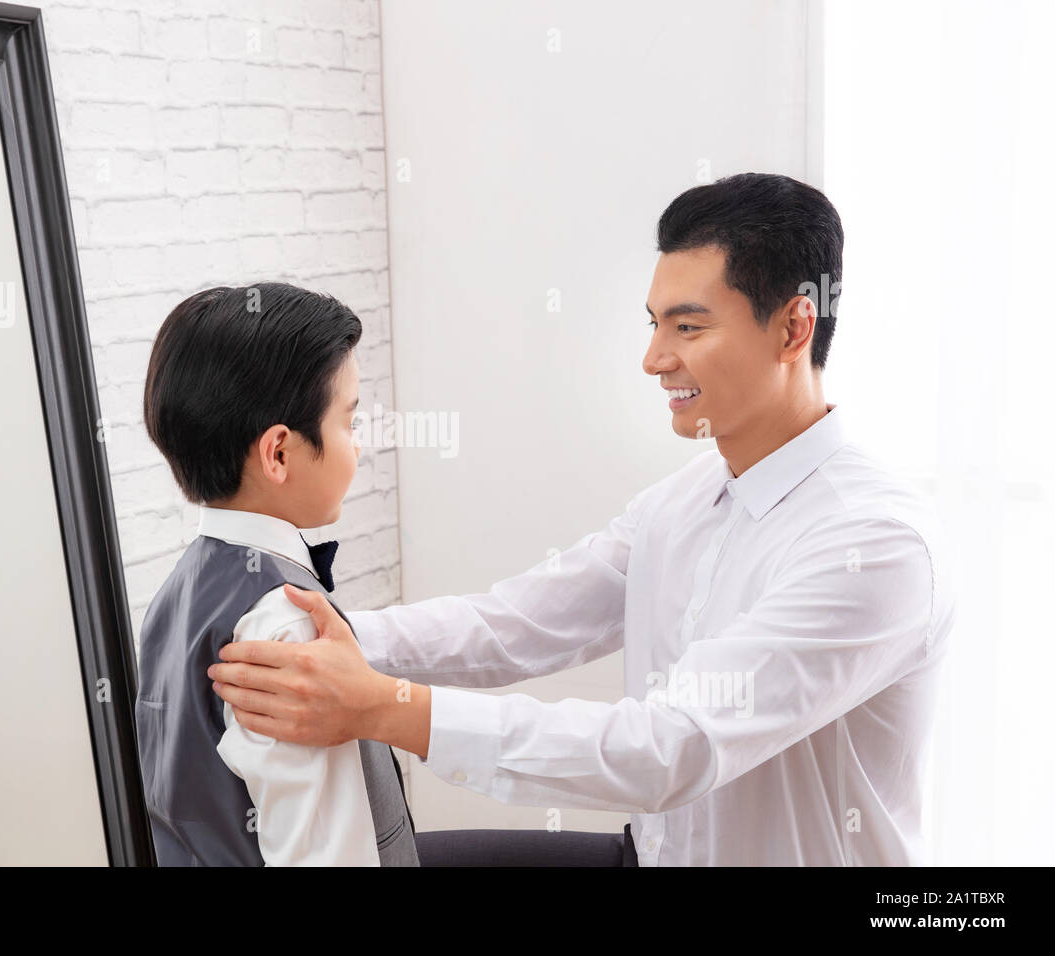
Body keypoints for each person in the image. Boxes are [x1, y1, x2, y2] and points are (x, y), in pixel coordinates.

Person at [208, 172, 957, 866]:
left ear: (795, 327)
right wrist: (325, 635)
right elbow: (519, 623)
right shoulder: (685, 502)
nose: (654, 358)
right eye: (654, 323)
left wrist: (382, 707)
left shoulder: (876, 546)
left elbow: (669, 749)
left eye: (688, 328)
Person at [135, 282, 417, 866]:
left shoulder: (177, 592)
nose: (357, 448)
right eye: (348, 422)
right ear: (280, 453)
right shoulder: (289, 627)